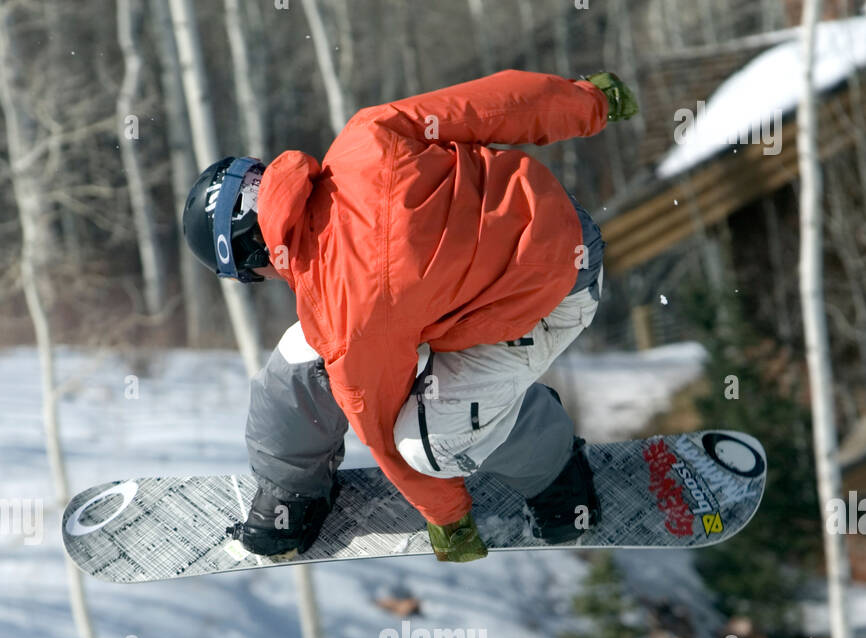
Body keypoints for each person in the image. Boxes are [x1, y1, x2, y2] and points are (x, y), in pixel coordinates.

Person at [181, 70, 638, 561]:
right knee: (298, 362)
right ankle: (291, 494)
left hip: (556, 292)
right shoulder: (364, 137)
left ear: (254, 256)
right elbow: (488, 106)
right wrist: (588, 101)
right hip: (546, 214)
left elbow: (381, 434)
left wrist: (449, 518)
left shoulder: (348, 315)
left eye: (251, 277)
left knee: (427, 443)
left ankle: (553, 470)